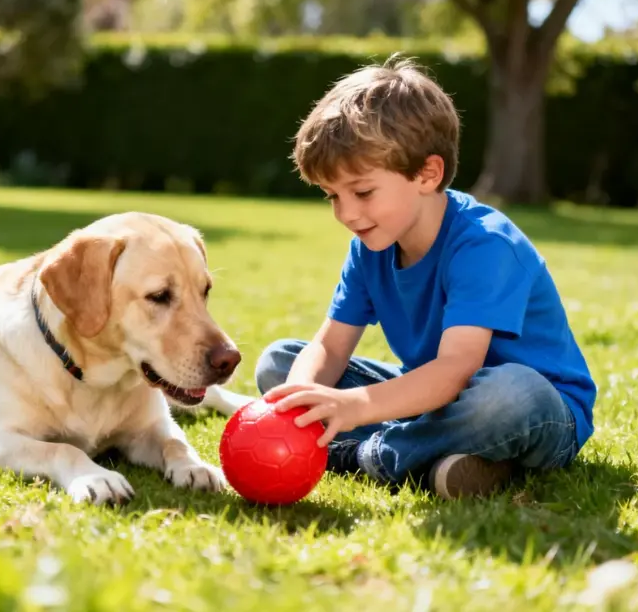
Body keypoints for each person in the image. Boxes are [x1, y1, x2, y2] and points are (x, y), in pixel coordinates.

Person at [255, 55, 597, 499]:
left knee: (509, 395)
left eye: (361, 192)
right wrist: (299, 398)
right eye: (332, 197)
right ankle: (462, 463)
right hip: (432, 397)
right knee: (281, 363)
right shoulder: (370, 246)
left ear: (426, 173)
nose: (346, 214)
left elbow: (456, 369)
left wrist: (356, 406)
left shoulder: (486, 245)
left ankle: (366, 457)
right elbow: (330, 346)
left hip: (536, 410)